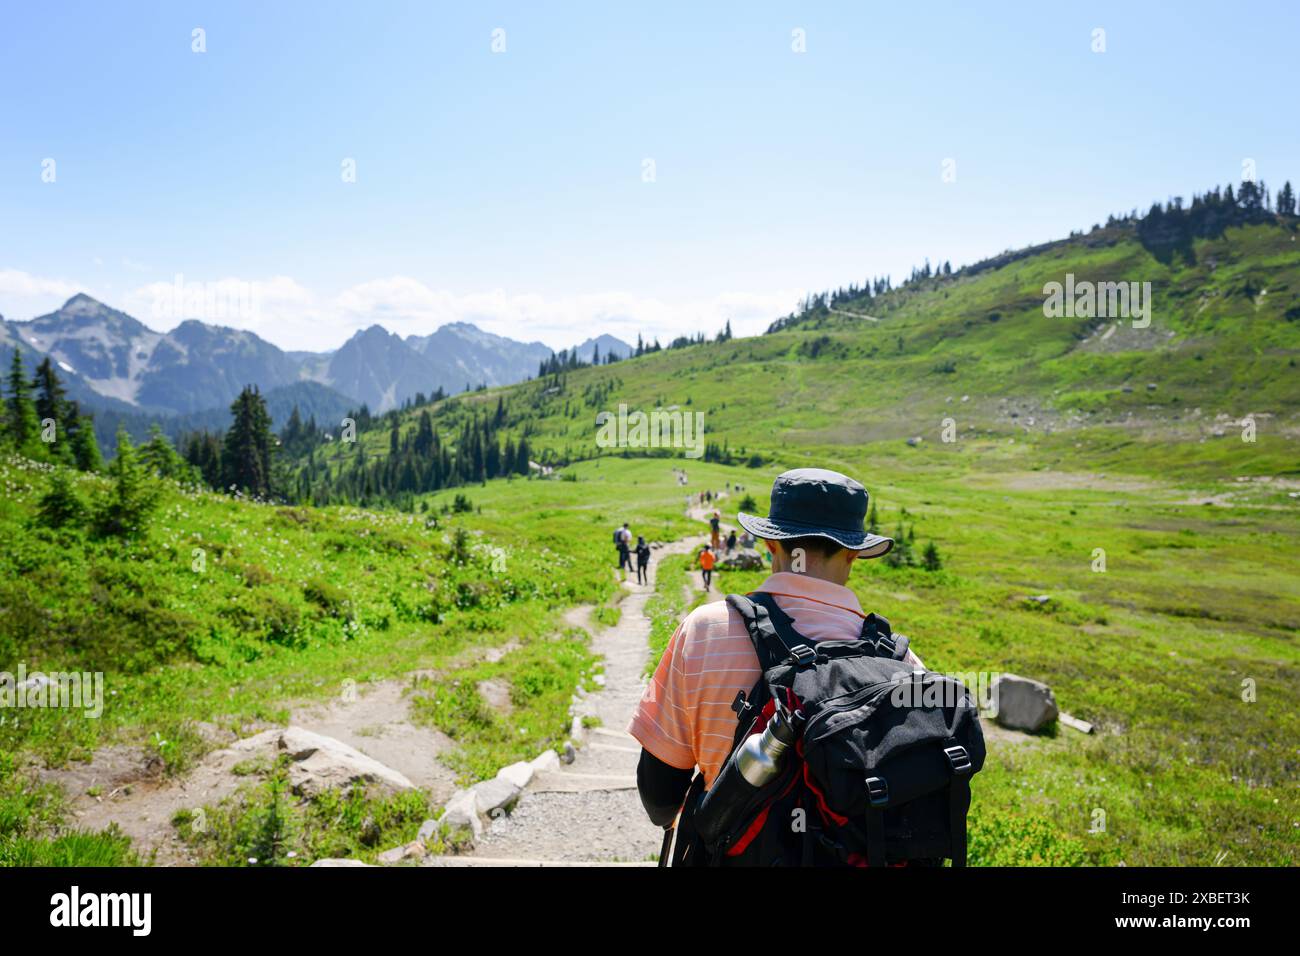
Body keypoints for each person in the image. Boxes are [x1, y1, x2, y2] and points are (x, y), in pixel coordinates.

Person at [629, 468, 920, 828]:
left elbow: (659, 799)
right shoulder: (898, 661)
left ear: (769, 544)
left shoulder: (703, 631)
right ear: (853, 554)